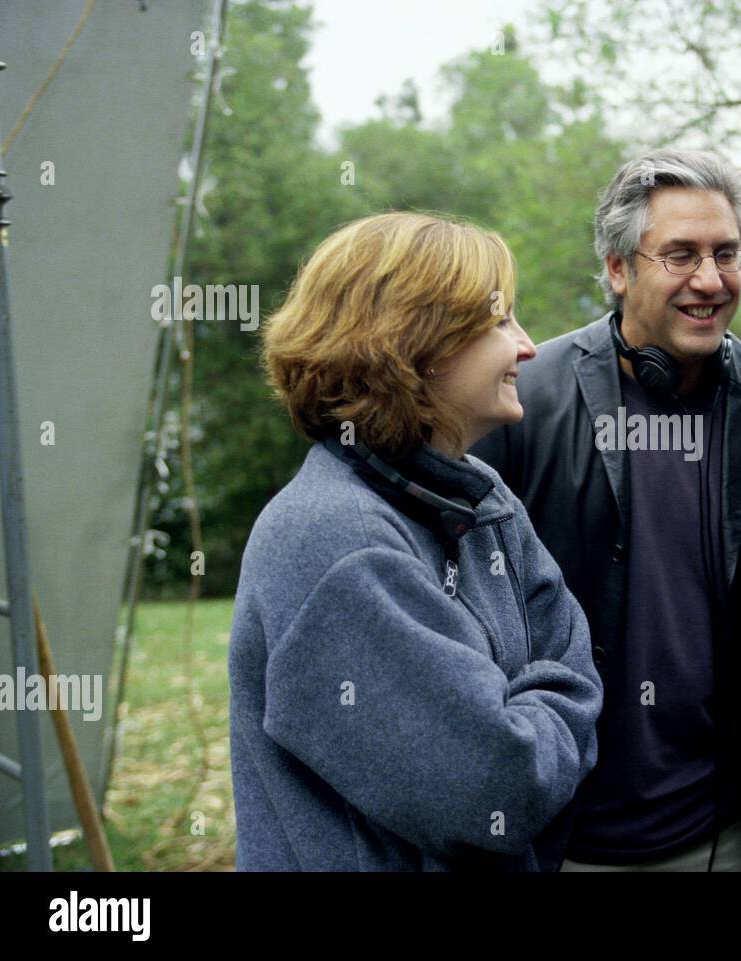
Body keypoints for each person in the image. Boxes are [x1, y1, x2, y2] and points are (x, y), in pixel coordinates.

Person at [472, 149, 741, 871]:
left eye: (725, 253)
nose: (710, 280)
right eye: (680, 255)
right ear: (618, 269)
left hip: (725, 835)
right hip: (556, 834)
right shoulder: (518, 404)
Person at [228, 212, 602, 871]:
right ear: (413, 345)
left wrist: (524, 711)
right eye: (499, 322)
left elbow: (572, 658)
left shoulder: (480, 494)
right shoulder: (337, 539)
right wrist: (535, 719)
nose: (528, 346)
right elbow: (498, 788)